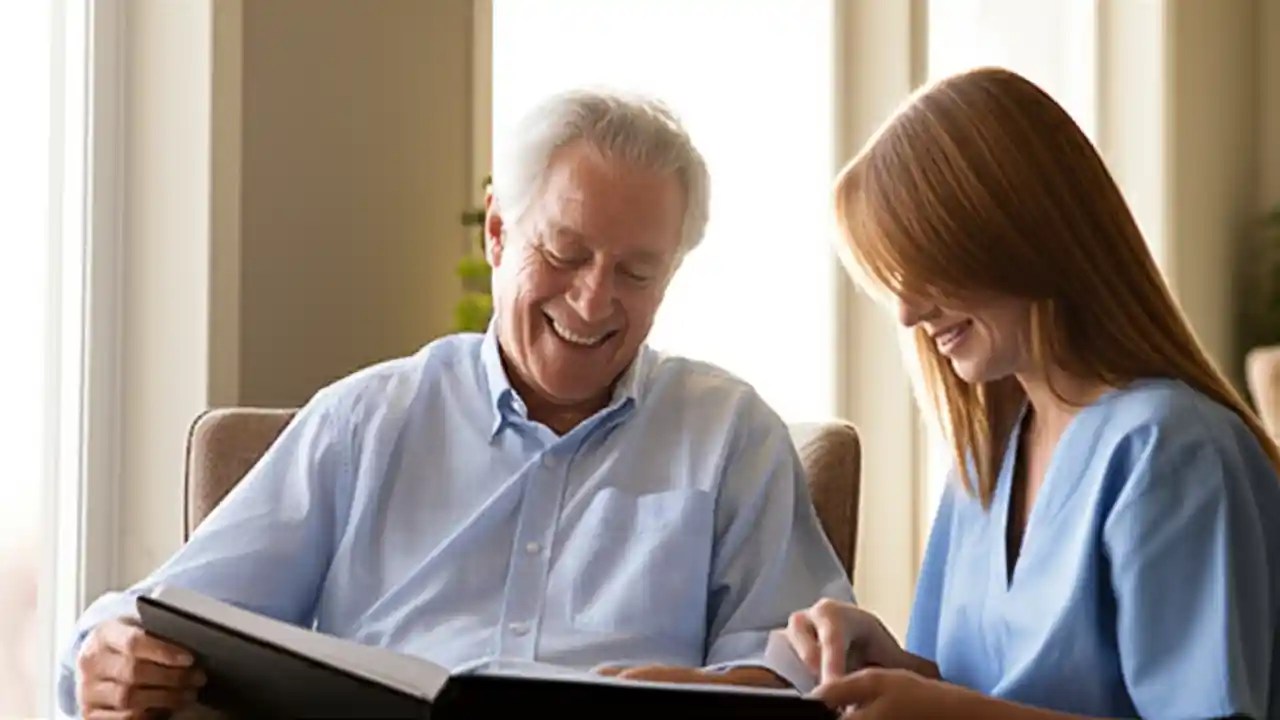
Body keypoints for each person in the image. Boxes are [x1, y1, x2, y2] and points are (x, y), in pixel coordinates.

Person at [60, 89, 853, 718]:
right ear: (500, 233)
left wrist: (726, 688)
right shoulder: (365, 421)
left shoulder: (729, 434)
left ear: (672, 274)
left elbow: (807, 664)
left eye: (636, 273)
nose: (592, 300)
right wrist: (104, 649)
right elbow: (169, 612)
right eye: (565, 252)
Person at [785, 66, 1280, 719]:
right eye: (892, 280)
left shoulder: (1171, 449)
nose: (906, 313)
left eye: (926, 266)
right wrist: (894, 668)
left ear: (1017, 234)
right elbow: (996, 689)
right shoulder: (983, 457)